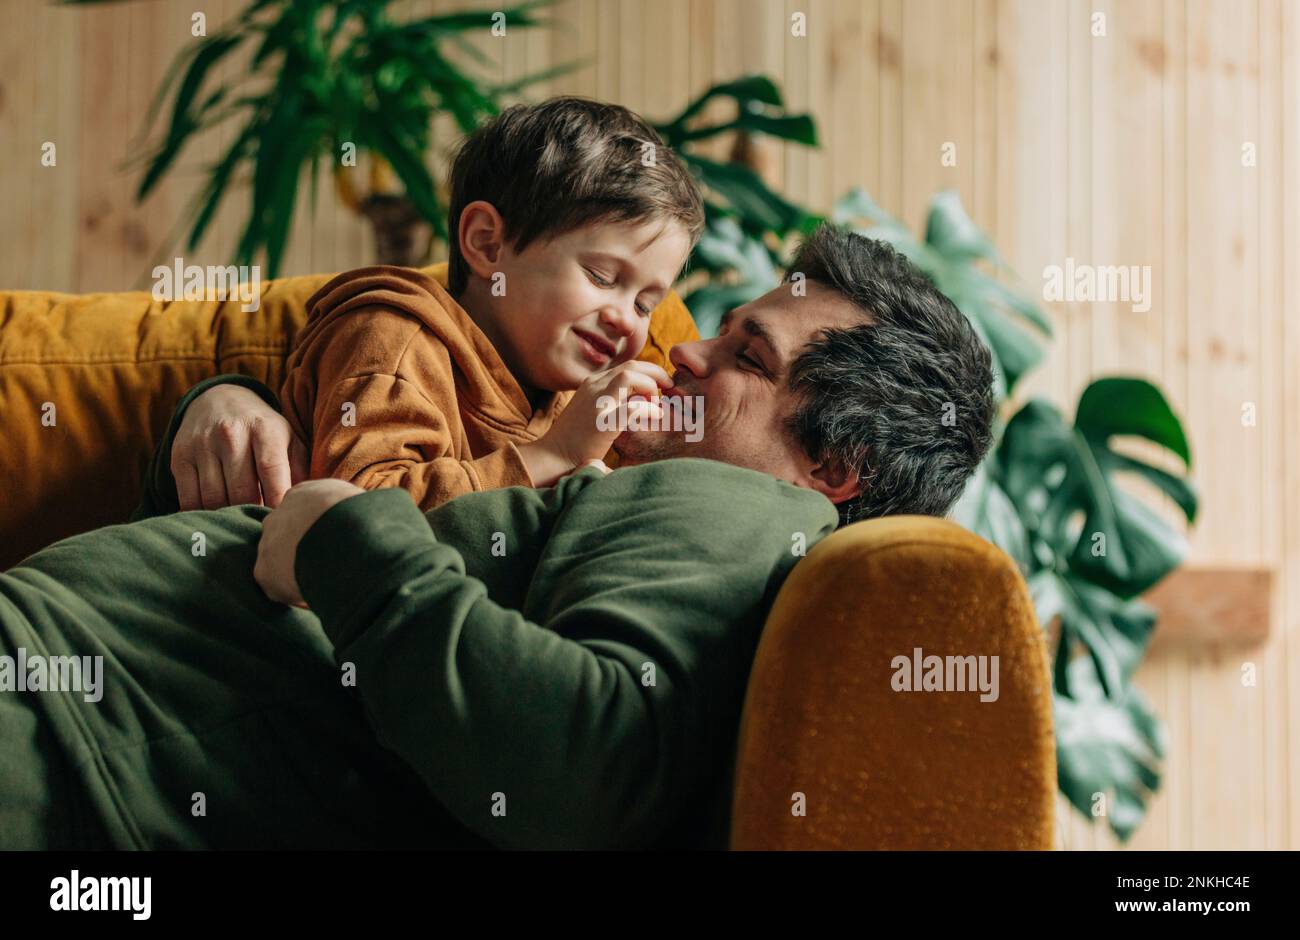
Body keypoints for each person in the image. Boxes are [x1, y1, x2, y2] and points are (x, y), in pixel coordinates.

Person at [0, 226, 994, 849]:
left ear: (833, 468)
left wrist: (345, 538)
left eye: (744, 356)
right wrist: (221, 409)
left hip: (66, 724)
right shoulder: (596, 449)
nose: (679, 348)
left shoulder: (744, 508)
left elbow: (577, 763)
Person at [137, 97, 703, 519]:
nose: (627, 318)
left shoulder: (566, 398)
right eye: (602, 277)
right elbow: (361, 518)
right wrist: (555, 453)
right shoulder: (395, 336)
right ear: (486, 244)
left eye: (648, 302)